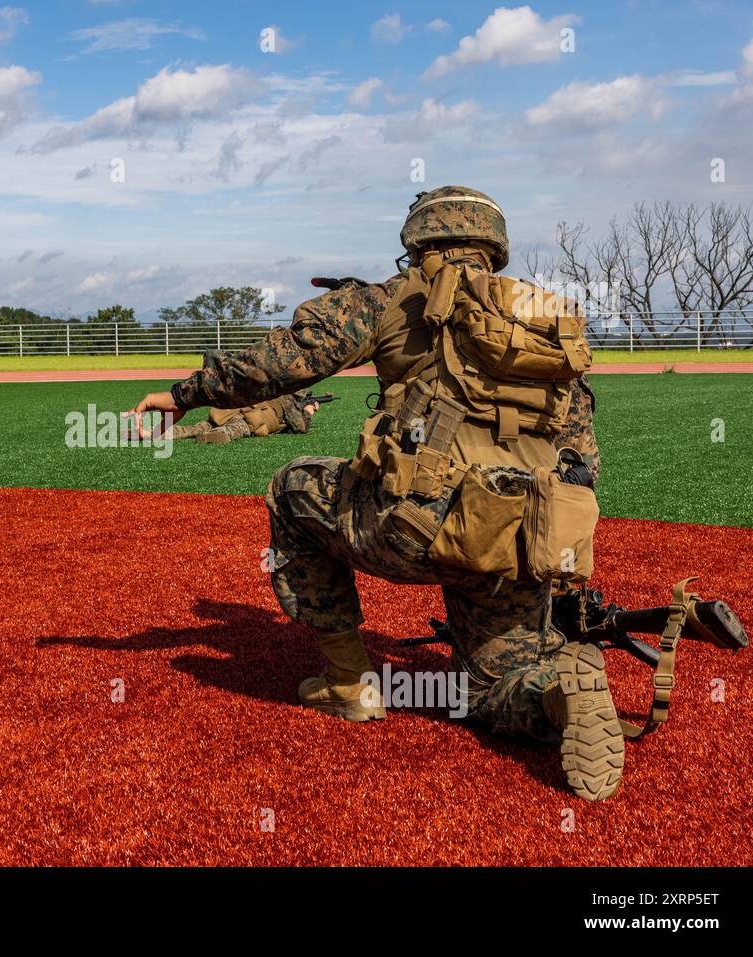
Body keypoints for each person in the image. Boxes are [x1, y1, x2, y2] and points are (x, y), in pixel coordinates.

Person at [126, 186, 622, 801]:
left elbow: (282, 363)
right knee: (490, 688)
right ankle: (554, 694)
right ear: (495, 244)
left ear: (419, 240)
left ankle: (348, 683)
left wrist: (184, 394)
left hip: (413, 527)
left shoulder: (393, 299)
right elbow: (581, 461)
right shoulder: (550, 320)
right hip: (522, 541)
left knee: (292, 489)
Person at [169, 389, 322, 444]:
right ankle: (214, 436)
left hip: (235, 410)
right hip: (254, 417)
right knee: (236, 429)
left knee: (197, 427)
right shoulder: (289, 400)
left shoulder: (276, 390)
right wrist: (308, 411)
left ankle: (158, 432)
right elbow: (299, 428)